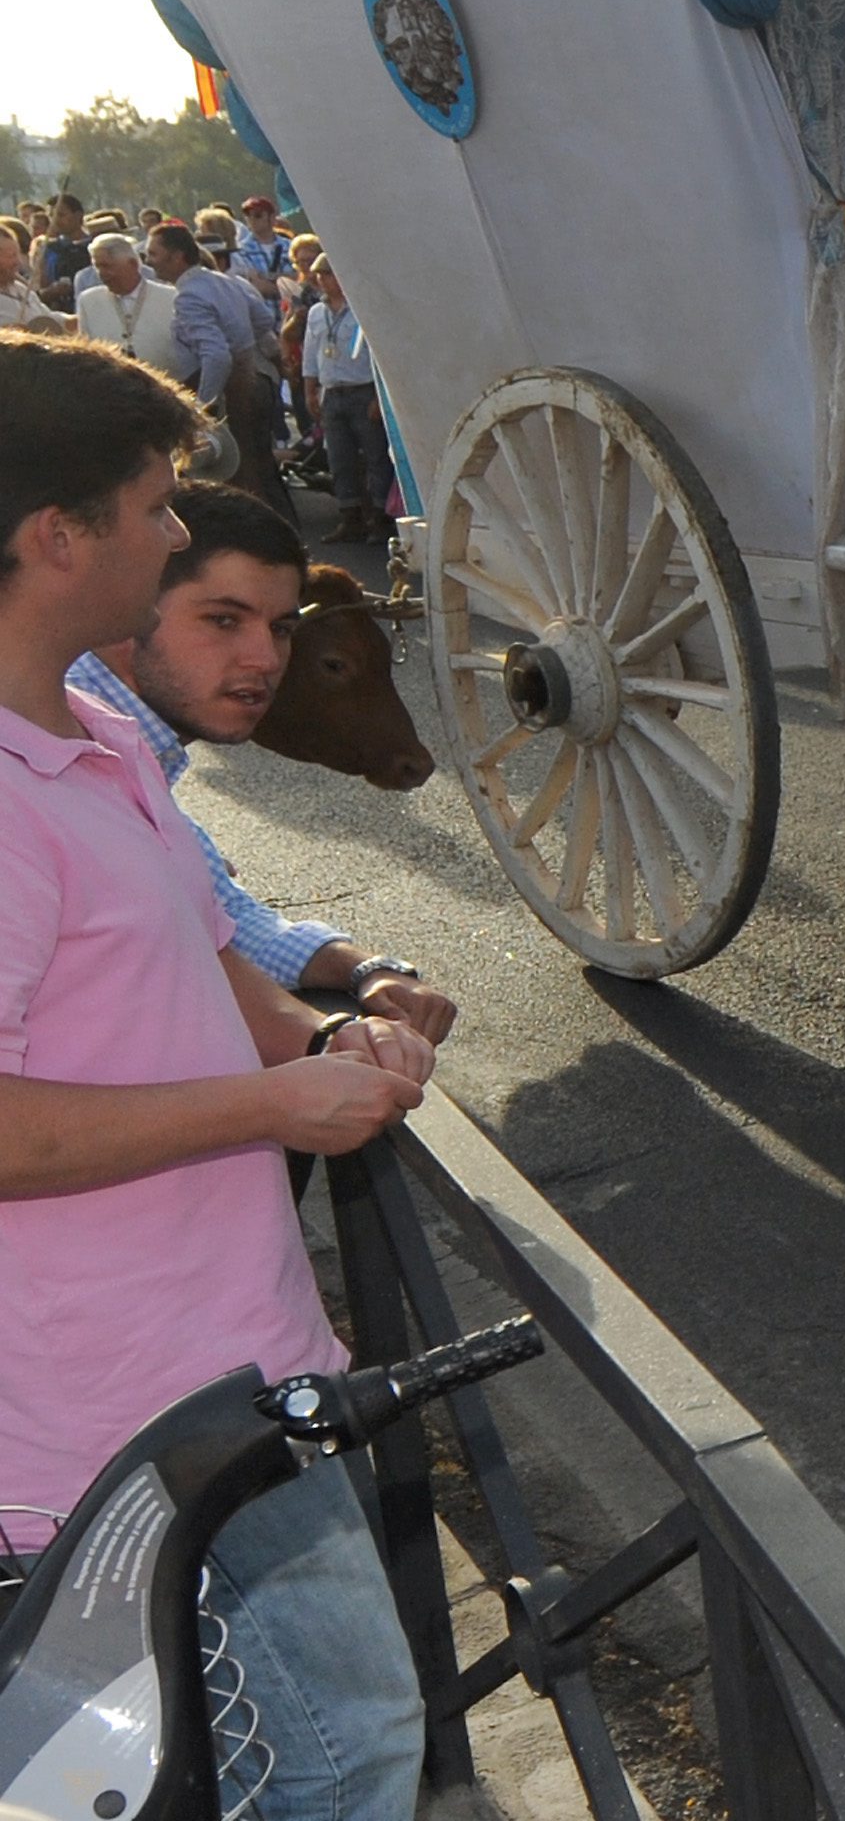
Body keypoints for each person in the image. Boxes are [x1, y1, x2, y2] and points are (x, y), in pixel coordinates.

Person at [0, 333, 436, 1821]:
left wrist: (313, 1041)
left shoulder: (95, 722)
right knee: (341, 1759)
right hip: (124, 1424)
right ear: (58, 540)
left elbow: (194, 949)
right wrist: (268, 1106)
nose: (178, 532)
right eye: (155, 509)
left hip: (223, 1361)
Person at [68, 487, 459, 1043]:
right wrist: (295, 1079)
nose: (267, 660)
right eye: (223, 620)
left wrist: (363, 968)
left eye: (281, 629)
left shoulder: (135, 747)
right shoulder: (63, 750)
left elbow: (213, 907)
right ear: (127, 606)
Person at [296, 261, 394, 551]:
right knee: (340, 458)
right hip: (333, 391)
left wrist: (380, 396)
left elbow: (378, 354)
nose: (322, 280)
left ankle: (379, 516)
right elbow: (310, 355)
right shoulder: (317, 312)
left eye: (327, 274)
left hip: (362, 389)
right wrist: (310, 390)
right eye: (320, 275)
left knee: (376, 455)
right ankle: (350, 514)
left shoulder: (361, 310)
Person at [74, 228, 183, 373]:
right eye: (97, 267)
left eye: (107, 266)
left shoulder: (171, 297)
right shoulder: (88, 302)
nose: (101, 273)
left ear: (132, 264)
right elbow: (86, 353)